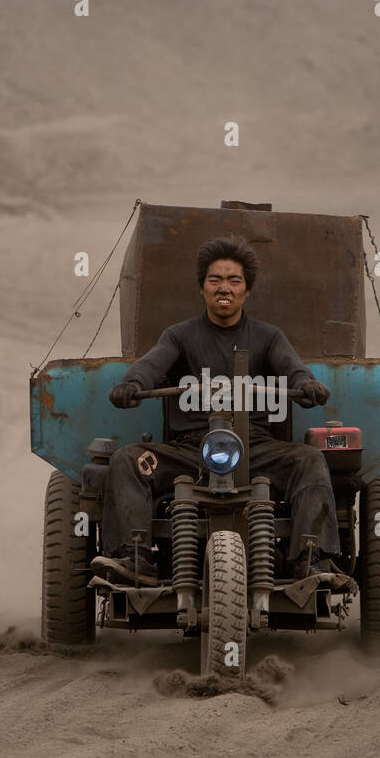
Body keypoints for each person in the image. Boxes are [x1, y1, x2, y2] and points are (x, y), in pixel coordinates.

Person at [93, 235, 341, 584]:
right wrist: (133, 384)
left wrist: (307, 385)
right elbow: (151, 364)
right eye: (215, 279)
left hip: (256, 448)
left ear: (247, 290)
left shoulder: (269, 337)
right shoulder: (179, 335)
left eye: (234, 280)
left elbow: (293, 369)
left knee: (310, 460)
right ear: (202, 288)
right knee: (126, 460)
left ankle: (310, 561)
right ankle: (134, 558)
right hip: (190, 448)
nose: (224, 287)